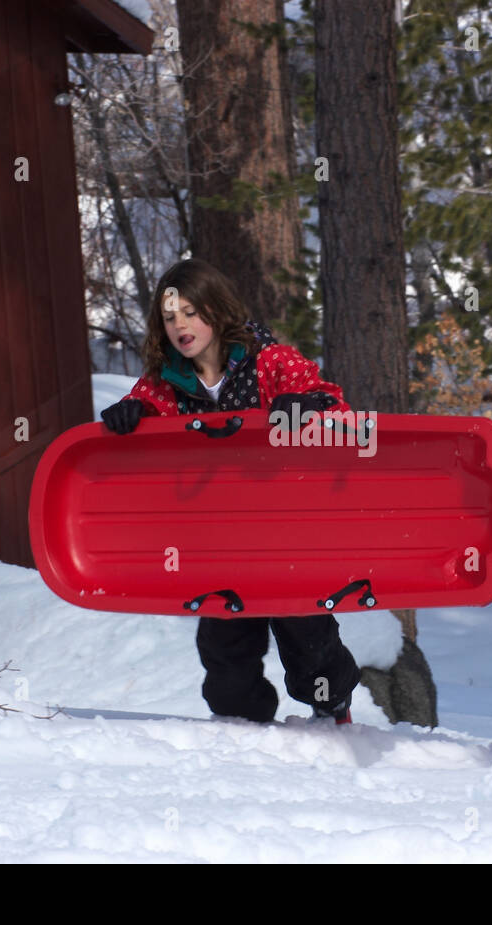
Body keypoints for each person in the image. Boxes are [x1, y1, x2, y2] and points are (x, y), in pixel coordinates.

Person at [100, 258, 361, 724]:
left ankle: (332, 706)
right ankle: (245, 734)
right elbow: (141, 413)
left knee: (310, 641)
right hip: (220, 543)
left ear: (217, 311)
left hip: (288, 536)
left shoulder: (271, 362)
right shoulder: (166, 385)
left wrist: (308, 405)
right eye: (170, 316)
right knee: (225, 657)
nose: (181, 325)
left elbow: (331, 403)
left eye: (191, 312)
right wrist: (129, 415)